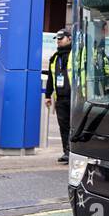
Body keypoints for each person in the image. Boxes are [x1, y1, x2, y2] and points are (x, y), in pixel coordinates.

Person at [45, 28, 73, 163]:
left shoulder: (75, 54)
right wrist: (47, 95)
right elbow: (51, 77)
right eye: (57, 39)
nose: (59, 41)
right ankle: (66, 152)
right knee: (63, 126)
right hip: (60, 98)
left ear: (69, 38)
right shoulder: (55, 57)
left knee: (74, 126)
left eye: (61, 38)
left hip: (74, 97)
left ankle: (74, 151)